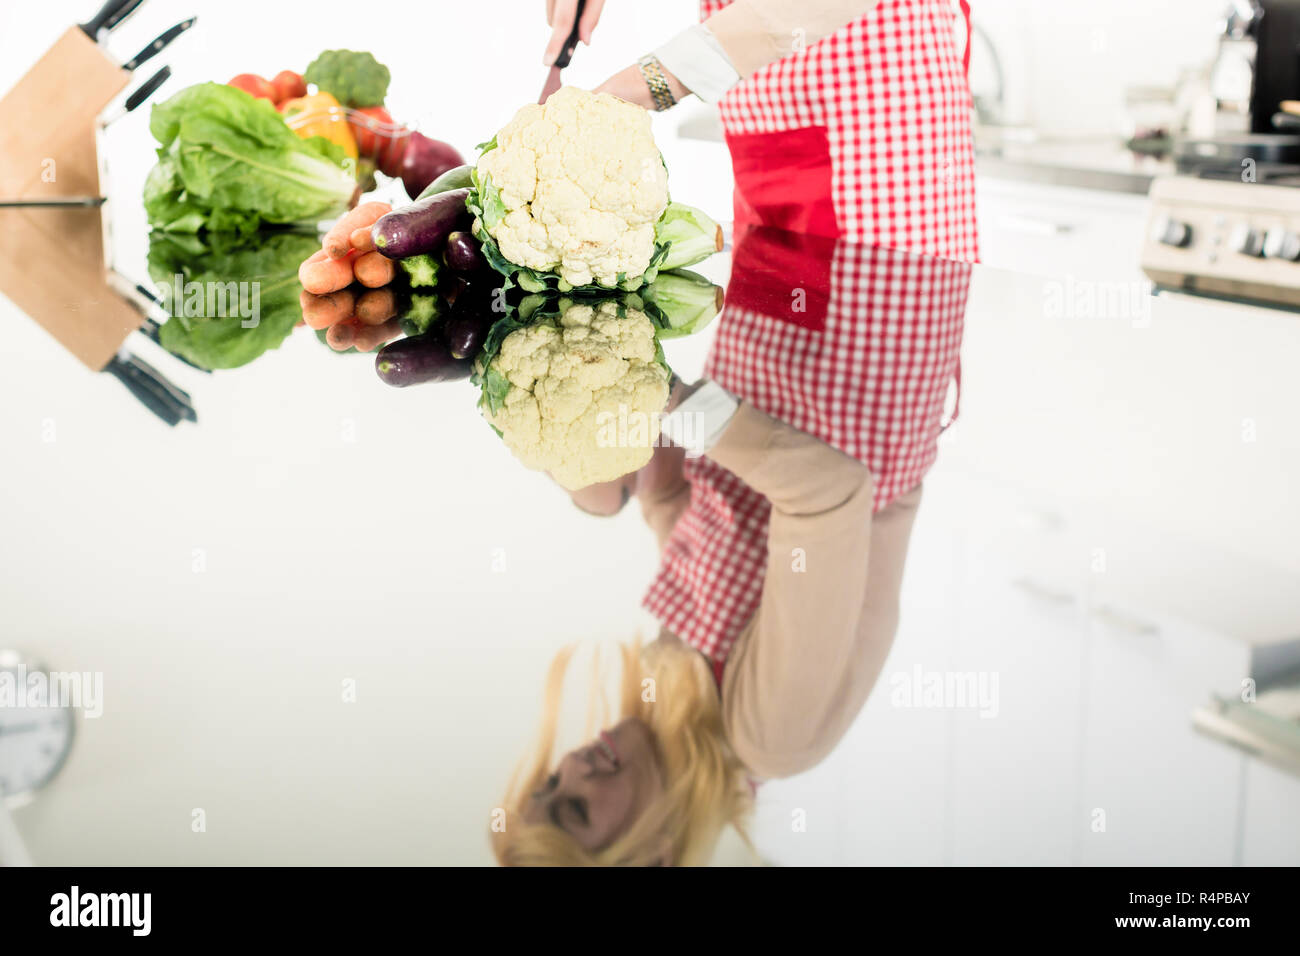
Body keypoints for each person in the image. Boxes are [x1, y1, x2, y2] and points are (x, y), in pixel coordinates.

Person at [493, 226, 973, 865]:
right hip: (866, 313)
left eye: (552, 782)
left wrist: (582, 459)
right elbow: (828, 497)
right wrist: (668, 401)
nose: (575, 766)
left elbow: (683, 504)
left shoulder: (676, 697)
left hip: (778, 304)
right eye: (575, 809)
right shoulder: (773, 734)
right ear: (653, 858)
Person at [544, 0, 978, 262]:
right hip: (770, 128)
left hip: (878, 128)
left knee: (871, 382)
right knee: (767, 352)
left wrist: (659, 79)